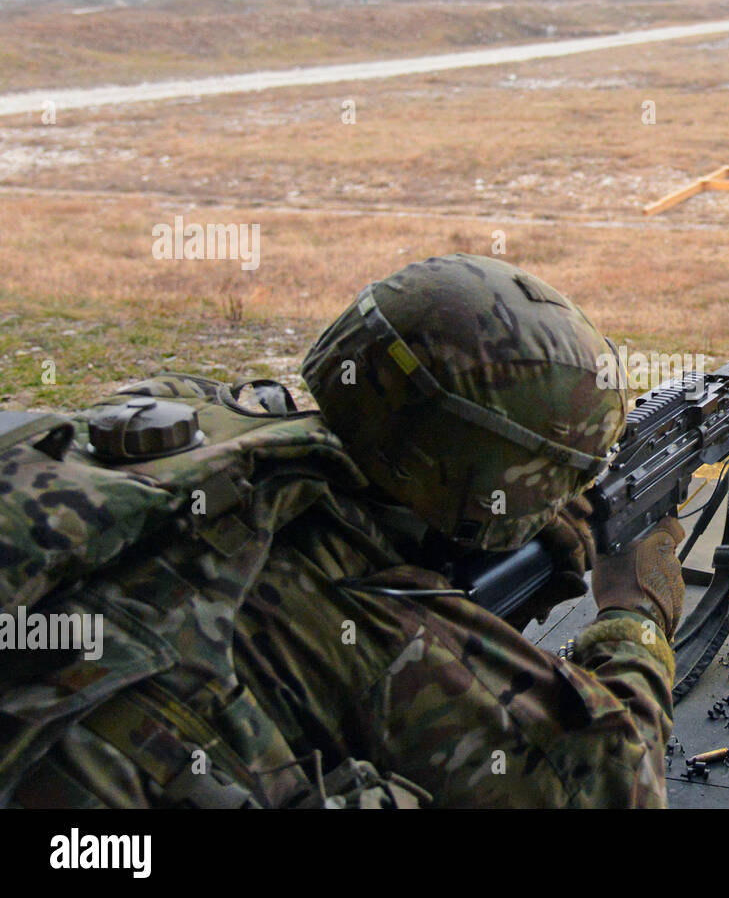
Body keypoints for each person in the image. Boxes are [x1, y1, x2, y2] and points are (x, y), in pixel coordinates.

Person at [0, 253, 684, 808]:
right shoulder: (370, 619)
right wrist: (638, 612)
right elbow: (618, 785)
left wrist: (514, 541)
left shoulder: (193, 416)